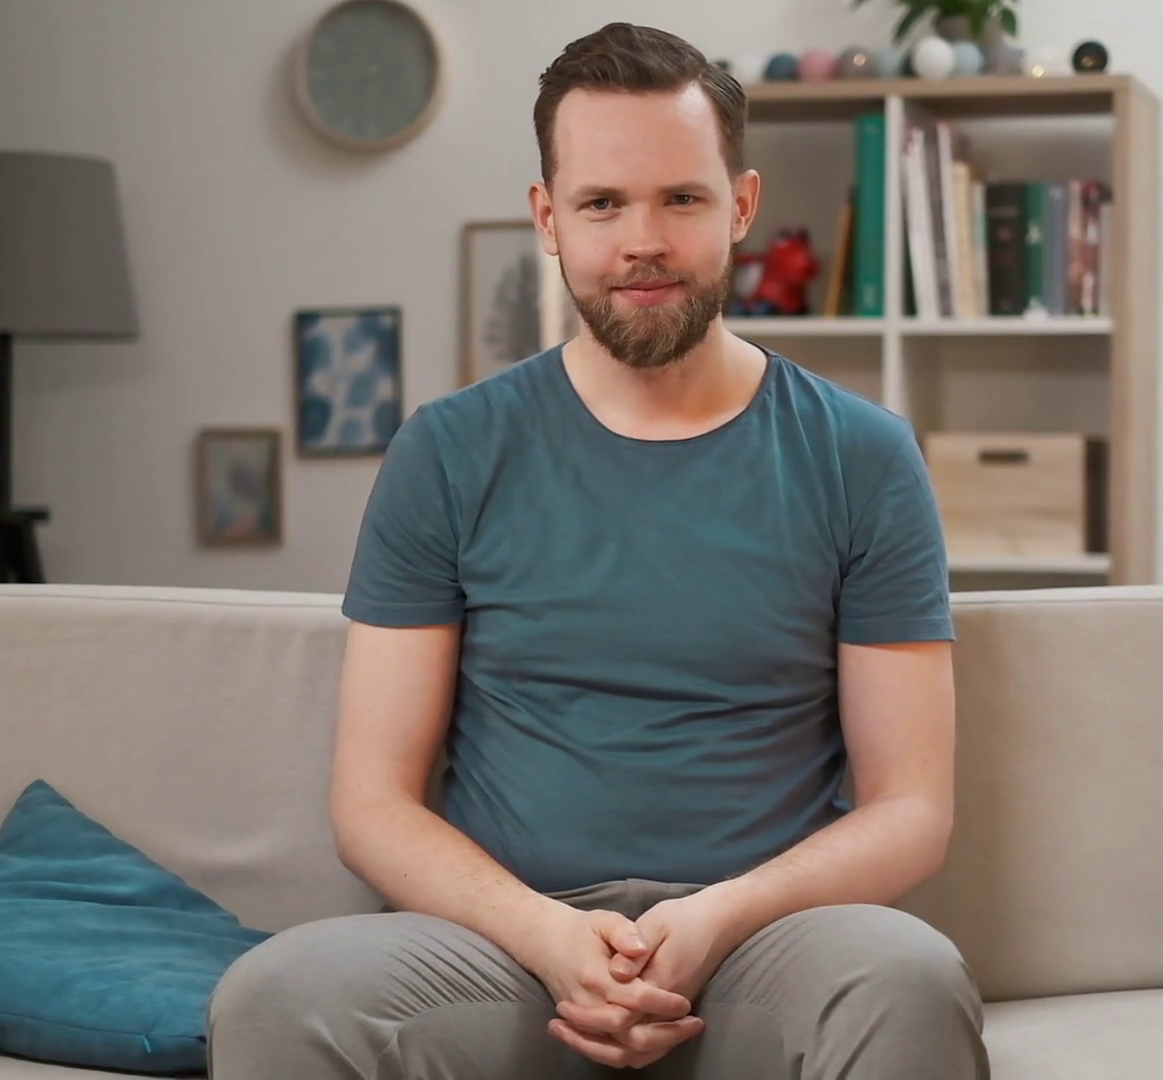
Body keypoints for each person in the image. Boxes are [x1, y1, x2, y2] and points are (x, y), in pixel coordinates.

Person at [208, 21, 990, 1080]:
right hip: (507, 957)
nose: (643, 241)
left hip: (764, 948)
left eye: (682, 198)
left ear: (742, 205)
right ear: (548, 217)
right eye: (603, 203)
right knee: (276, 997)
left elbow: (911, 810)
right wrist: (547, 937)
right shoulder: (448, 451)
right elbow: (373, 801)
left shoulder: (862, 455)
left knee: (910, 977)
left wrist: (717, 918)